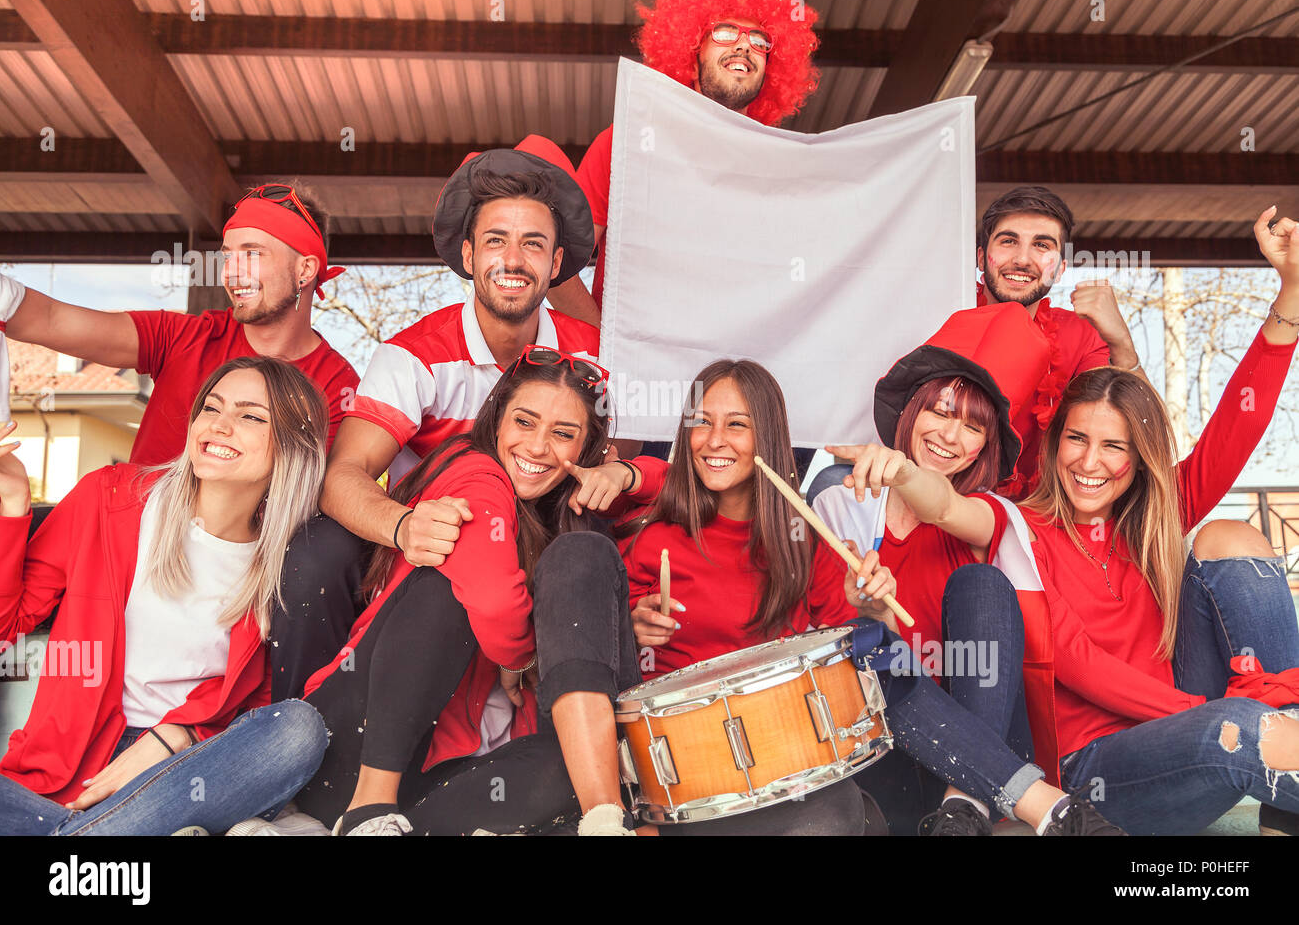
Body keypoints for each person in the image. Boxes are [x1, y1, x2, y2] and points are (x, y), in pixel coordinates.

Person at [836, 207, 1299, 835]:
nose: (1091, 463)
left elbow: (1236, 428)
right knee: (1242, 727)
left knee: (1232, 539)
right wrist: (897, 469)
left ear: (1137, 460)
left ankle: (1281, 785)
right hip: (1099, 768)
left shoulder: (1155, 521)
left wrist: (1290, 295)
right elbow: (946, 505)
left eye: (1114, 447)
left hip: (1201, 728)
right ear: (1053, 447)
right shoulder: (1017, 527)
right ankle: (1275, 742)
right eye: (1076, 440)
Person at [544, 358, 1122, 835]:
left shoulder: (807, 538)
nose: (715, 441)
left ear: (767, 438)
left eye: (738, 425)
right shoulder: (646, 534)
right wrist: (635, 619)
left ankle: (1040, 809)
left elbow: (868, 683)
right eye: (702, 423)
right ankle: (1051, 806)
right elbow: (607, 651)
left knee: (873, 648)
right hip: (681, 778)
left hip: (794, 766)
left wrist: (866, 606)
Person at [273, 136, 603, 702]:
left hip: (545, 535)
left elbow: (608, 461)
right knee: (313, 553)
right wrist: (405, 526)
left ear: (555, 264)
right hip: (433, 540)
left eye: (532, 245)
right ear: (470, 256)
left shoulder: (592, 354)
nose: (513, 260)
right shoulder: (413, 355)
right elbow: (342, 475)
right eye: (496, 241)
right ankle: (292, 730)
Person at [287, 346, 666, 835]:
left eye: (564, 434)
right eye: (524, 423)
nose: (537, 447)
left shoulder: (564, 508)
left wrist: (624, 472)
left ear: (587, 450)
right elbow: (494, 601)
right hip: (357, 751)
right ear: (497, 418)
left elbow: (682, 488)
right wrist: (522, 660)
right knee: (447, 588)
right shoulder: (477, 471)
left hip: (444, 774)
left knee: (576, 763)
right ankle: (366, 811)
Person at [0, 357, 329, 834]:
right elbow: (7, 625)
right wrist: (12, 505)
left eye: (251, 416)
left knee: (299, 730)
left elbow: (257, 702)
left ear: (293, 449)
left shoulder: (293, 564)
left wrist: (179, 735)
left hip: (181, 769)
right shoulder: (109, 499)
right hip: (59, 775)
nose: (220, 424)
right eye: (211, 408)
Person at [807, 303, 1061, 831]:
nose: (950, 435)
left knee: (980, 583)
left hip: (988, 761)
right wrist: (880, 617)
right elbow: (845, 665)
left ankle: (965, 802)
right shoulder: (839, 508)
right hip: (888, 749)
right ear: (911, 411)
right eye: (940, 412)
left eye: (973, 426)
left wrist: (900, 472)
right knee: (865, 641)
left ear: (984, 449)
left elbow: (941, 505)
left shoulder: (992, 518)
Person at [0, 181, 358, 469]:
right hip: (133, 549)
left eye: (252, 253)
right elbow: (48, 318)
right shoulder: (184, 338)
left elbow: (321, 501)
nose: (231, 272)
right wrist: (6, 294)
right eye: (227, 255)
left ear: (306, 270)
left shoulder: (338, 387)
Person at [548, 0, 821, 328]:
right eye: (725, 32)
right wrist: (603, 344)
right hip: (634, 372)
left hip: (732, 371)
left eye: (760, 40)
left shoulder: (775, 168)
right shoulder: (625, 144)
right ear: (691, 52)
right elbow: (555, 262)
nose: (744, 45)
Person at [975, 185, 1147, 498]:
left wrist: (1121, 341)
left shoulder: (1080, 335)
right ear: (982, 257)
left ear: (1061, 268)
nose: (1023, 258)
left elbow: (1145, 433)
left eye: (1041, 245)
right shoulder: (945, 316)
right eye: (1009, 241)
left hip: (1043, 517)